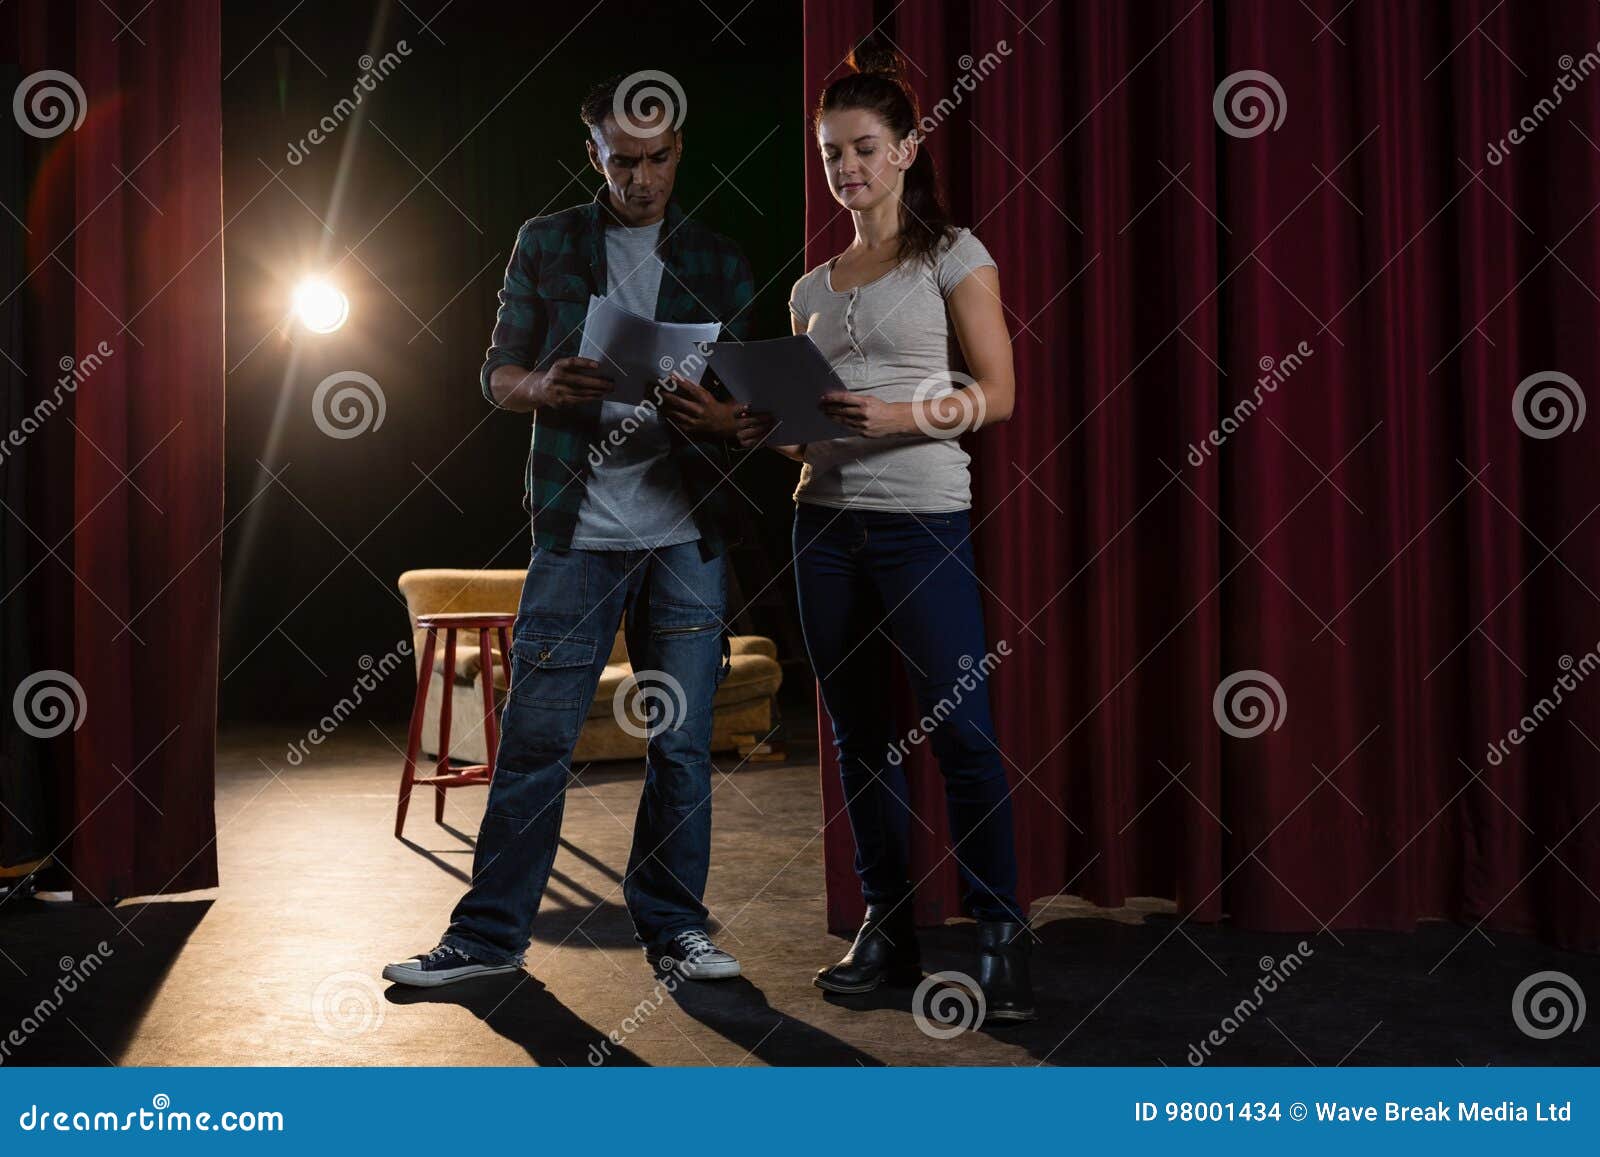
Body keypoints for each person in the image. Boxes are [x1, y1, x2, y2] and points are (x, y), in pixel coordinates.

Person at [385, 72, 752, 988]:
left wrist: (721, 419)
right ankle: (487, 938)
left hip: (684, 535)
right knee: (536, 742)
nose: (641, 179)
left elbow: (752, 409)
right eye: (622, 161)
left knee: (680, 745)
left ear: (678, 149)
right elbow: (496, 374)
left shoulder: (718, 257)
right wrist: (543, 386)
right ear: (592, 154)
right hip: (578, 529)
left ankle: (677, 929)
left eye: (656, 159)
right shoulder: (545, 241)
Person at [736, 37, 1034, 1022]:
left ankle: (1002, 934)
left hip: (921, 523)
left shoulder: (955, 256)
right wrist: (755, 428)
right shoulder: (809, 291)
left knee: (963, 735)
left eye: (864, 147)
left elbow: (997, 394)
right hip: (822, 528)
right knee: (858, 738)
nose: (847, 167)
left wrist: (898, 415)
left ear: (906, 149)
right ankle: (888, 925)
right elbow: (807, 435)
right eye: (832, 153)